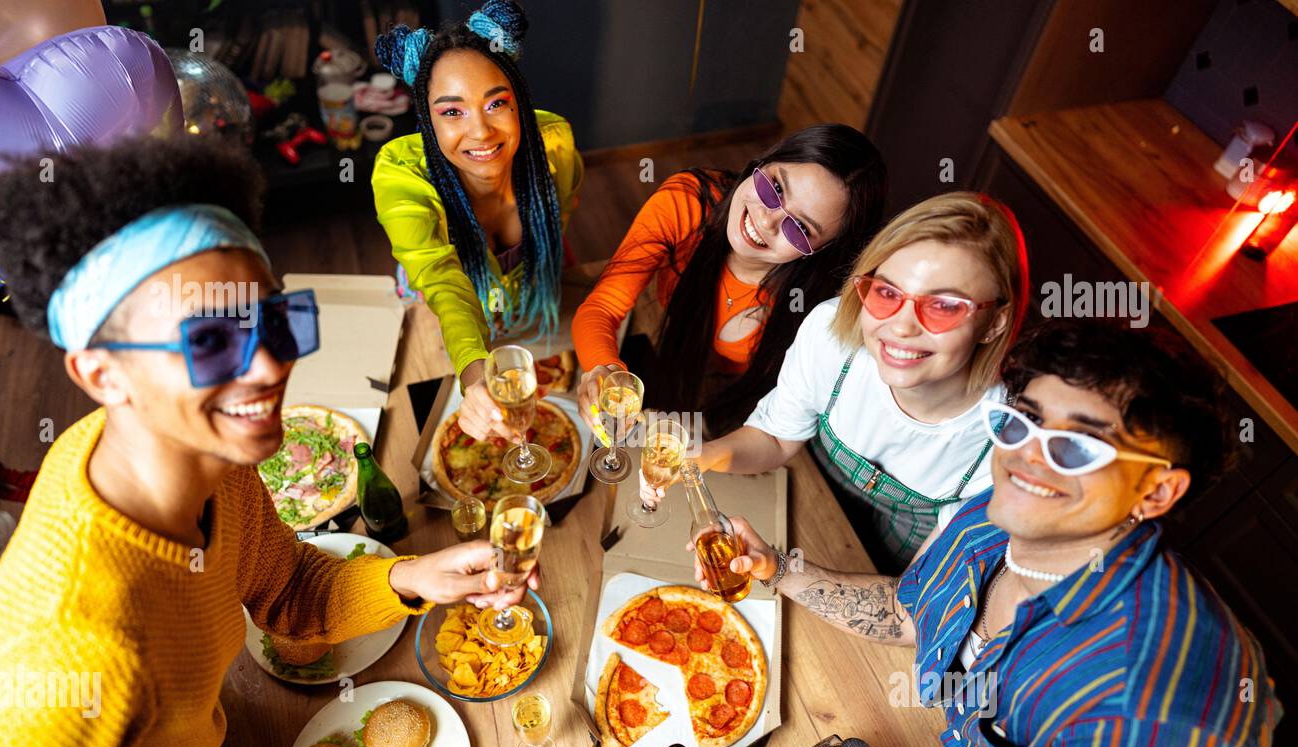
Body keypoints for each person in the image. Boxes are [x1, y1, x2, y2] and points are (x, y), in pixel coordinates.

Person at [0, 136, 533, 747]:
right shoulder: (69, 649)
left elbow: (284, 588)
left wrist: (413, 578)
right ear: (102, 374)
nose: (273, 363)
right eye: (212, 340)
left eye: (274, 320)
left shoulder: (207, 455)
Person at [702, 318, 1281, 747]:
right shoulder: (998, 513)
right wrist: (777, 570)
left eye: (1077, 447)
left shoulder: (1140, 707)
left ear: (1155, 493)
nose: (1027, 456)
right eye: (1022, 421)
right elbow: (911, 613)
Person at [653, 192, 1027, 574]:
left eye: (944, 306)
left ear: (995, 322)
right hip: (808, 506)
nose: (900, 326)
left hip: (896, 571)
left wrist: (781, 570)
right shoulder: (830, 335)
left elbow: (913, 598)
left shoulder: (1010, 440)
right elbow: (777, 437)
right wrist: (705, 456)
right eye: (887, 292)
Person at [573, 124, 887, 437]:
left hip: (746, 412)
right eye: (775, 188)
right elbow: (602, 306)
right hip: (671, 359)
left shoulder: (820, 301)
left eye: (801, 228)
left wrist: (704, 431)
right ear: (763, 162)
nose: (767, 220)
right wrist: (605, 369)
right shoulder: (688, 201)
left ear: (822, 250)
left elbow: (786, 403)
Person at [372, 0, 583, 442]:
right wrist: (474, 376)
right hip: (442, 302)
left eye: (497, 103)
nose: (481, 132)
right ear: (427, 121)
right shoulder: (398, 173)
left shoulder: (555, 144)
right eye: (452, 112)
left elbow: (560, 215)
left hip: (534, 290)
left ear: (519, 101)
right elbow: (443, 281)